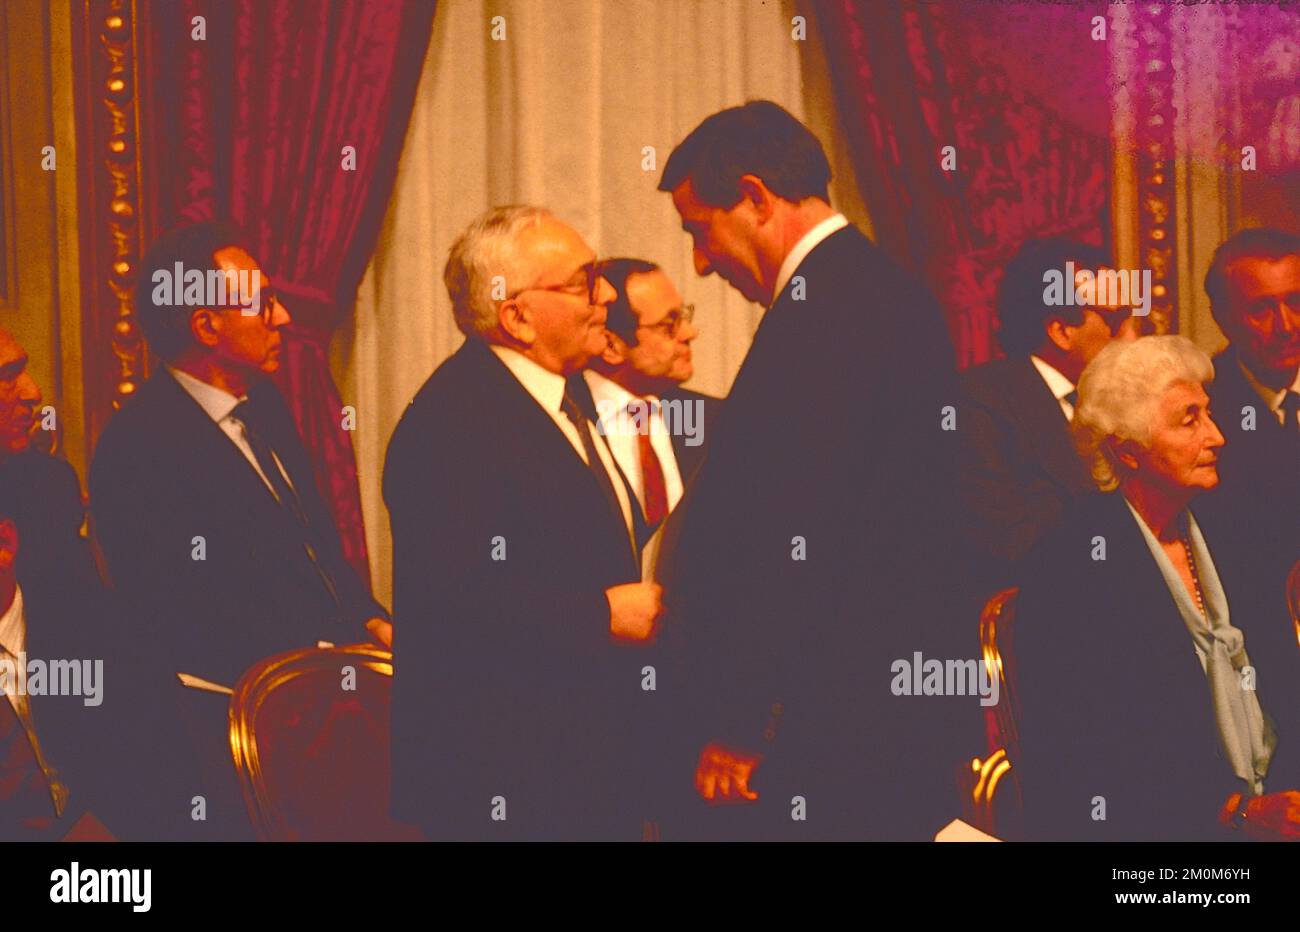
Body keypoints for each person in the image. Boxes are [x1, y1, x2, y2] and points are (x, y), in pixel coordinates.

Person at [653, 100, 970, 840]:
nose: (701, 262)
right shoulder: (872, 289)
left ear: (757, 198)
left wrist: (739, 719)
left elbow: (794, 537)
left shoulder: (827, 309)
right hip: (867, 711)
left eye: (700, 231)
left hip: (824, 726)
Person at [89, 221, 388, 838]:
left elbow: (317, 551)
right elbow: (177, 615)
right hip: (232, 735)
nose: (280, 317)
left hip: (325, 713)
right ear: (207, 327)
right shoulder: (137, 447)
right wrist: (321, 661)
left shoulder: (268, 405)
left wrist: (365, 617)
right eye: (262, 302)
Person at [384, 206, 663, 840]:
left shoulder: (568, 397)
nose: (608, 295)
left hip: (585, 762)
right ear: (516, 315)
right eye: (584, 280)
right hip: (504, 781)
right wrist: (602, 615)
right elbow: (455, 601)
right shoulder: (450, 422)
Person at [1015, 335, 1300, 840]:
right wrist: (1238, 813)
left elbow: (1287, 685)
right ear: (1127, 451)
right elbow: (1088, 760)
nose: (1217, 436)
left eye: (1208, 414)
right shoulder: (1071, 569)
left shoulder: (1231, 532)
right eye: (1189, 421)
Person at [959, 238, 1136, 586]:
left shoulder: (1124, 404)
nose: (1131, 339)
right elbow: (1003, 545)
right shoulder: (977, 405)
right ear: (1062, 331)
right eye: (1116, 321)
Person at [0, 328, 107, 839]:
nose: (32, 392)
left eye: (23, 369)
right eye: (6, 377)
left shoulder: (47, 486)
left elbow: (100, 653)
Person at [1196, 228, 1300, 596]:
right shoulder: (1201, 410)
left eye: (1297, 302)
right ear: (1221, 318)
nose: (1287, 326)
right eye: (1261, 309)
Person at [584, 258, 720, 538]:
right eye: (668, 325)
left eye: (683, 316)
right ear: (611, 346)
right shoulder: (562, 418)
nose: (690, 333)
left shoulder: (715, 420)